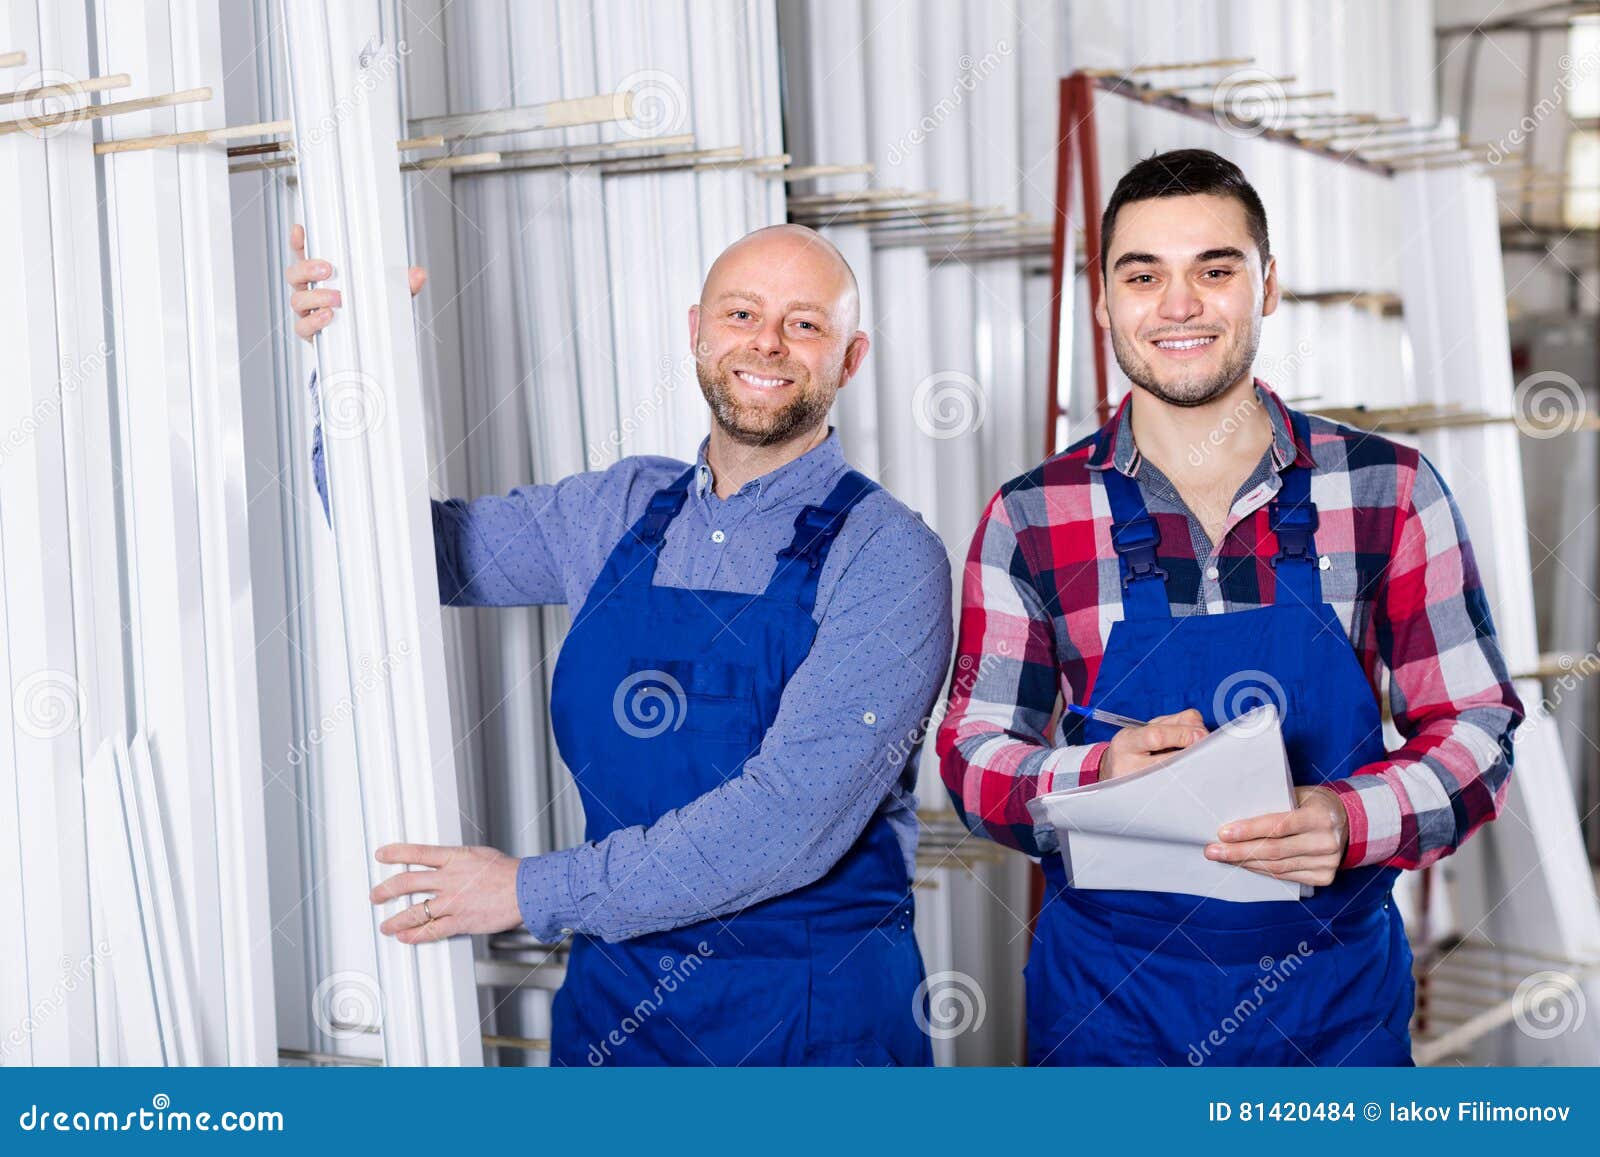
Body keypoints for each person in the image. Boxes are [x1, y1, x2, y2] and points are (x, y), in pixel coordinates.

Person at [285, 222, 953, 1066]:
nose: (768, 343)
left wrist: (526, 888)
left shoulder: (889, 554)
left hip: (812, 1026)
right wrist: (351, 362)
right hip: (618, 1016)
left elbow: (788, 819)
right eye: (742, 312)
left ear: (850, 358)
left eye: (806, 324)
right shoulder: (620, 509)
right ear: (696, 330)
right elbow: (407, 554)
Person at [935, 148, 1524, 1067]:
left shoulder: (1390, 490)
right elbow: (972, 753)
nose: (1179, 306)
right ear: (1103, 300)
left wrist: (1345, 816)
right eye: (1144, 275)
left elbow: (1477, 729)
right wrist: (1097, 777)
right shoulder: (1030, 516)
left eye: (1216, 269)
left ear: (1268, 284)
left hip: (1332, 1011)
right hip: (1110, 1014)